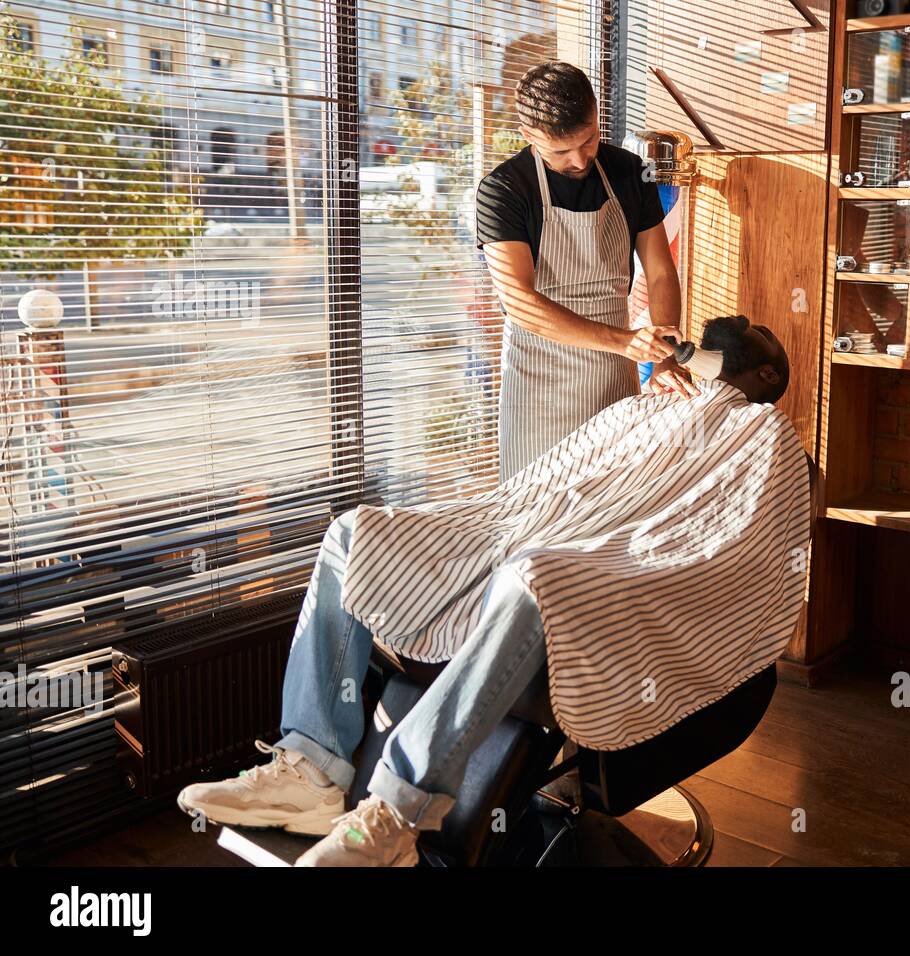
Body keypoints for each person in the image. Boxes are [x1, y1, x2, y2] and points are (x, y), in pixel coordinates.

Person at [176, 315, 792, 867]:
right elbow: (537, 489)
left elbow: (731, 543)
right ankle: (312, 766)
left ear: (765, 371)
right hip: (516, 531)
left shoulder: (765, 431)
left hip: (609, 568)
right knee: (352, 532)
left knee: (531, 575)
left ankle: (393, 814)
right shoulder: (647, 404)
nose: (739, 315)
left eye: (758, 327)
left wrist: (575, 551)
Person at [476, 61, 697, 482]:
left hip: (614, 377)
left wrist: (665, 353)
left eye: (590, 139)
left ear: (598, 116)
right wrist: (625, 342)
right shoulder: (503, 191)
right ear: (528, 135)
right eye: (561, 151)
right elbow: (520, 302)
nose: (579, 159)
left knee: (609, 502)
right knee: (536, 509)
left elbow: (661, 271)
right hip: (540, 387)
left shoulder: (629, 172)